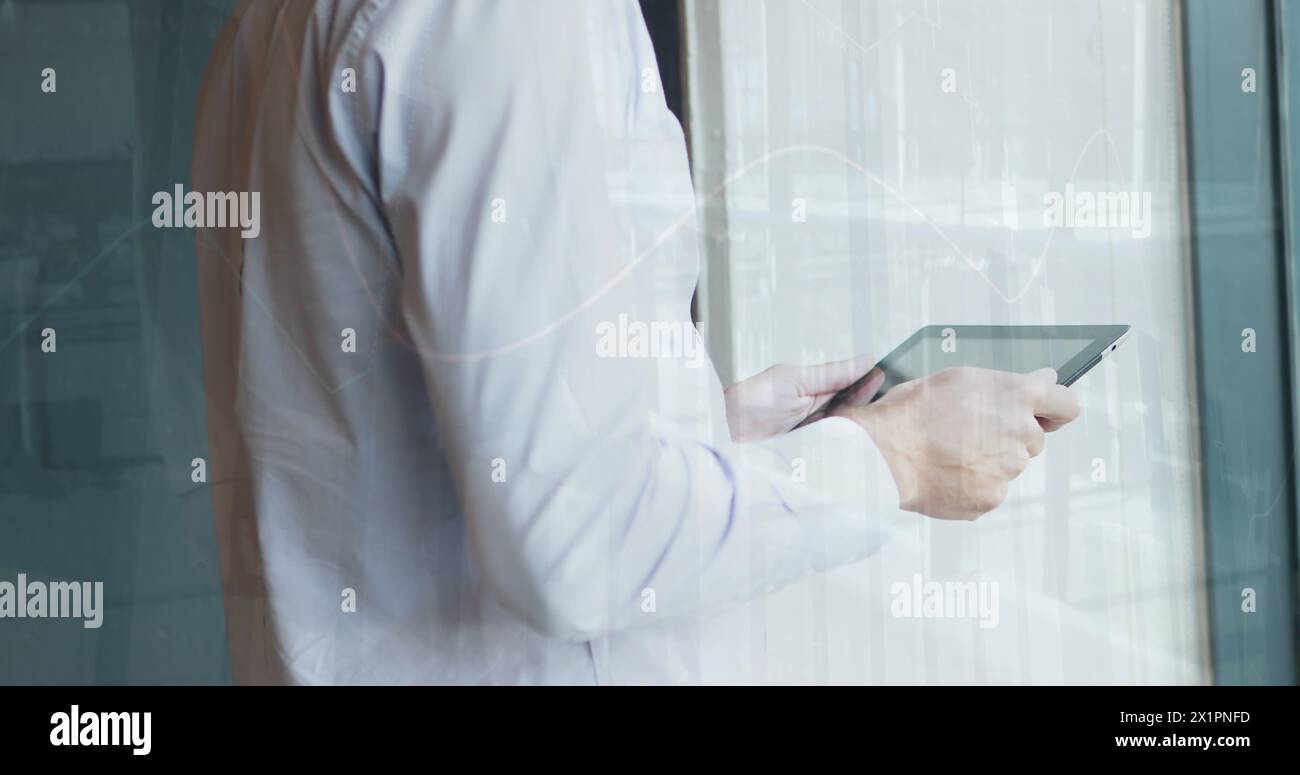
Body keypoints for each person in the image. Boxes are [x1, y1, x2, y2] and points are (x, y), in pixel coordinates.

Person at [192, 0, 1079, 685]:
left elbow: (436, 441)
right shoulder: (505, 21)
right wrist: (899, 456)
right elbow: (576, 546)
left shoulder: (262, 28)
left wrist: (700, 436)